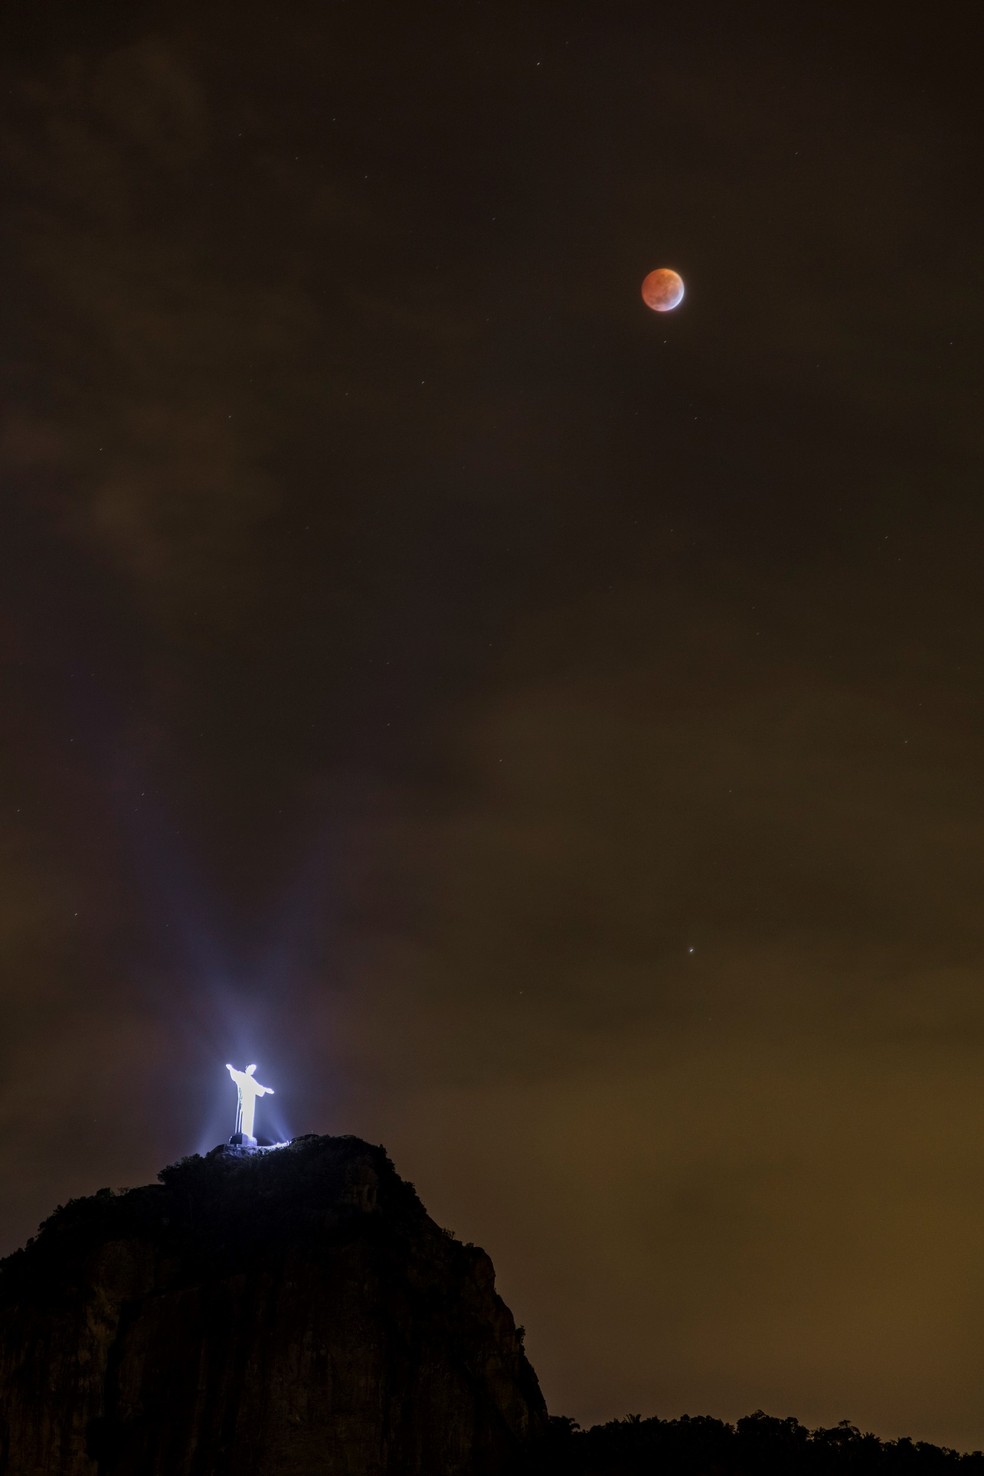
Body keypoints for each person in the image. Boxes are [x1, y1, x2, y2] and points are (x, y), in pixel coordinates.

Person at [226, 1062, 274, 1139]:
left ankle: (247, 1134)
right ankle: (240, 1133)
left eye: (253, 1070)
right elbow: (235, 1073)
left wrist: (267, 1090)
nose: (252, 1071)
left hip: (250, 1100)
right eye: (251, 1069)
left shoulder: (251, 1080)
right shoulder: (242, 1076)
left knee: (249, 1116)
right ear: (247, 1069)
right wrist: (230, 1068)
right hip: (244, 1099)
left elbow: (258, 1087)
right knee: (242, 1114)